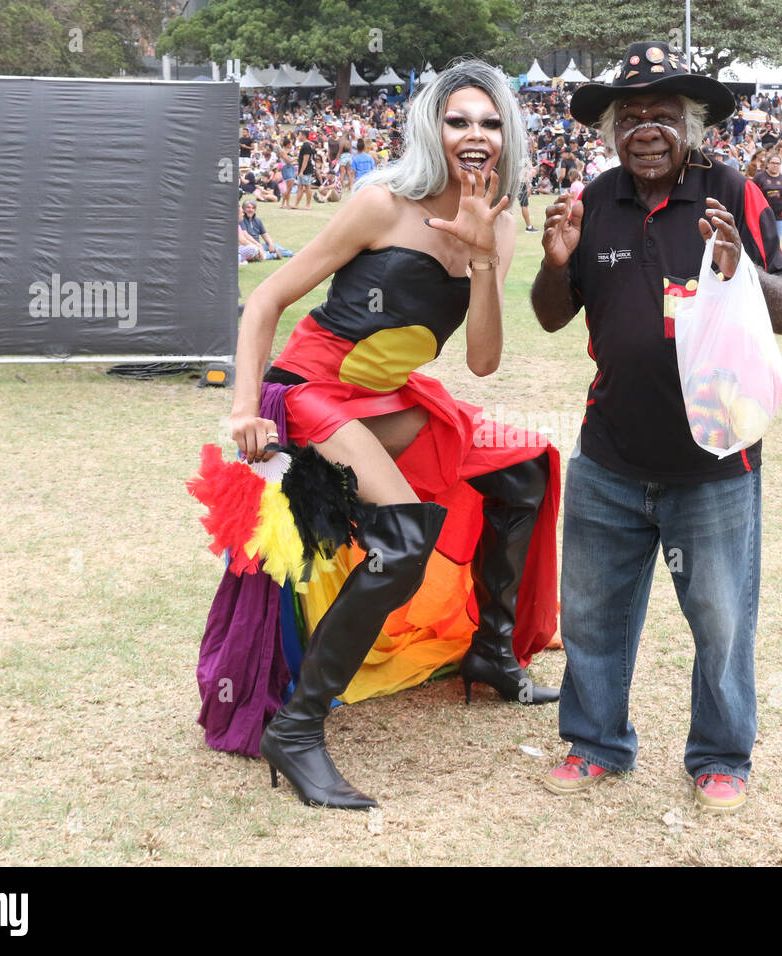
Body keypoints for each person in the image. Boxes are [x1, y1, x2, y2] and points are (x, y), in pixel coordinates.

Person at [194, 60, 562, 811]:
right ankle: (296, 732)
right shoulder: (379, 204)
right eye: (459, 120)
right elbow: (265, 298)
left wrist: (485, 261)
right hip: (311, 392)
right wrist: (242, 407)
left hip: (390, 396)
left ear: (509, 136)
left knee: (523, 469)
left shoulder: (499, 224)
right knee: (403, 538)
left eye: (490, 123)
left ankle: (491, 653)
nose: (475, 136)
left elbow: (484, 364)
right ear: (433, 126)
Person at [529, 41, 782, 813]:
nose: (645, 129)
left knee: (719, 618)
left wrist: (738, 268)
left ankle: (720, 756)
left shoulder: (732, 191)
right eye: (631, 117)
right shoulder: (595, 197)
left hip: (715, 459)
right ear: (613, 131)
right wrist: (556, 263)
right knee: (590, 612)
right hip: (609, 454)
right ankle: (596, 743)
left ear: (693, 125)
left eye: (663, 116)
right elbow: (553, 318)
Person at [753, 151, 782, 233]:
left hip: (779, 217)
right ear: (767, 164)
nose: (775, 165)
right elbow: (752, 196)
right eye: (773, 163)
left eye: (778, 163)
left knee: (776, 242)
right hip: (762, 215)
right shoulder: (759, 177)